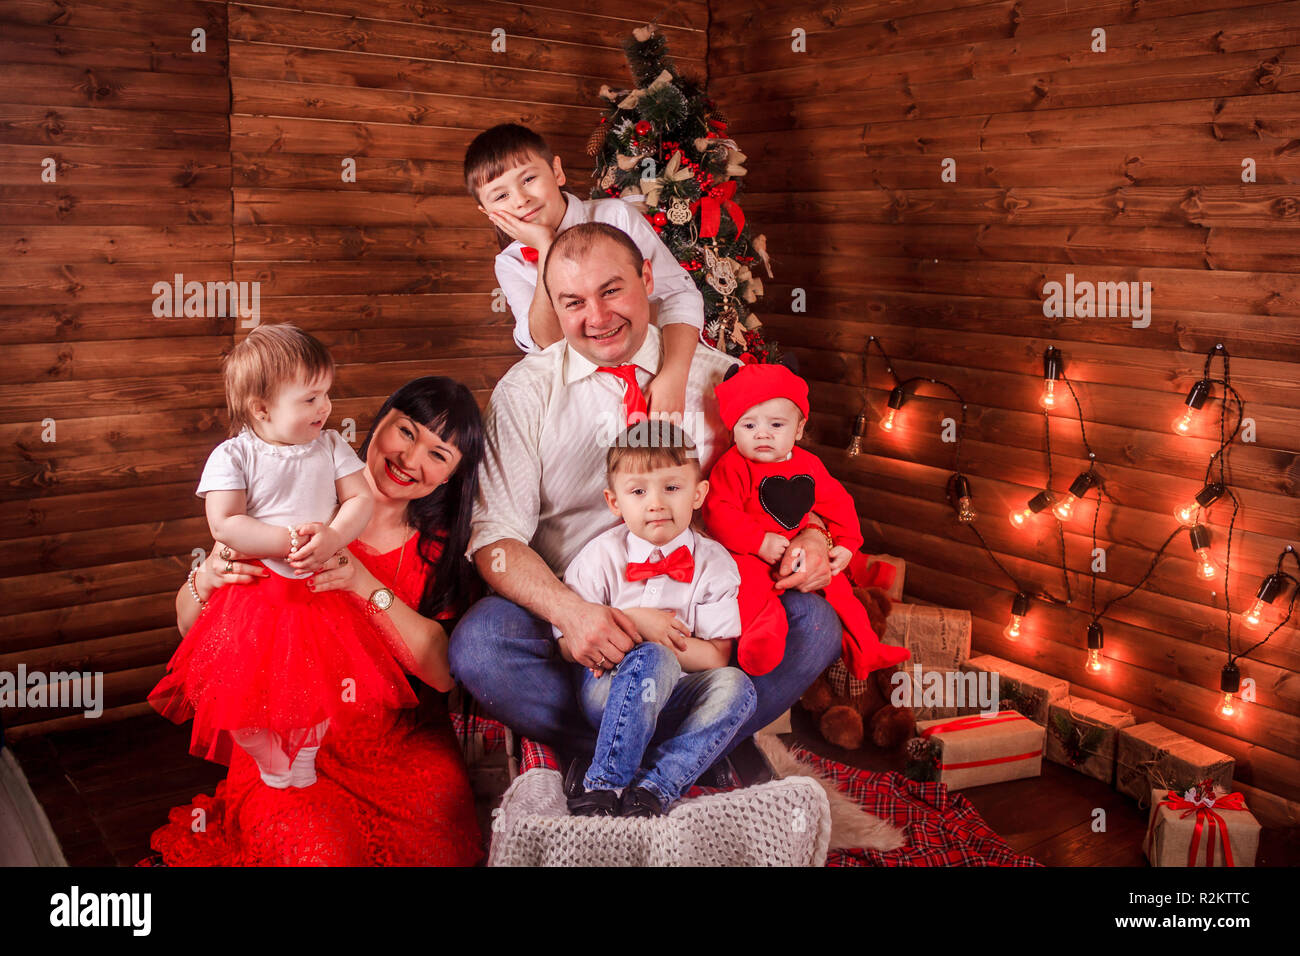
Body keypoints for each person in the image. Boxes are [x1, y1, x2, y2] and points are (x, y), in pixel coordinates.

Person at [449, 221, 843, 784]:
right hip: (582, 612)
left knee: (815, 625)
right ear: (555, 308)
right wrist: (572, 613)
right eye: (573, 302)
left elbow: (791, 475)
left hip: (701, 610)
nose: (597, 317)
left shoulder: (718, 379)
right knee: (482, 644)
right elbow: (495, 540)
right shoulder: (527, 388)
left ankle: (648, 747)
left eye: (612, 291)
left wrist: (815, 536)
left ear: (647, 278)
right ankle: (674, 748)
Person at [148, 376, 485, 865]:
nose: (411, 461)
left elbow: (439, 674)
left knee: (439, 838)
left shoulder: (439, 551)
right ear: (380, 421)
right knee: (318, 854)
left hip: (399, 746)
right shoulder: (286, 516)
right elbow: (189, 628)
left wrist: (362, 583)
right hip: (287, 749)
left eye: (439, 455)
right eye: (407, 432)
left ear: (452, 475)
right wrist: (208, 578)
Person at [148, 324, 416, 788]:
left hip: (316, 597)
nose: (325, 407)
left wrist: (332, 537)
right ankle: (268, 757)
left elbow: (359, 500)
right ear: (262, 407)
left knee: (316, 690)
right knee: (244, 699)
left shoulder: (330, 446)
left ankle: (306, 752)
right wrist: (288, 541)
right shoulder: (234, 456)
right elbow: (225, 524)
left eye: (327, 394)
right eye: (310, 398)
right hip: (257, 597)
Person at [559, 424, 753, 817]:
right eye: (638, 491)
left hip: (678, 703)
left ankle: (654, 788)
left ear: (698, 494)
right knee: (653, 659)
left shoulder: (715, 564)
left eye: (672, 488)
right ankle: (605, 784)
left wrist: (661, 643)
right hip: (608, 692)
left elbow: (716, 658)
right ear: (614, 502)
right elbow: (566, 646)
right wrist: (634, 624)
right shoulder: (599, 557)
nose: (655, 503)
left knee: (739, 687)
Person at [464, 122, 703, 422]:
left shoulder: (616, 216)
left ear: (556, 172)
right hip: (587, 394)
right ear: (489, 214)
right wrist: (545, 246)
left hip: (659, 362)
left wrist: (674, 376)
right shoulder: (510, 263)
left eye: (528, 179)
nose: (520, 199)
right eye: (500, 197)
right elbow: (548, 339)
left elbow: (678, 294)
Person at [701, 361, 911, 679]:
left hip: (797, 551)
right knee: (753, 594)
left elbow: (838, 503)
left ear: (798, 429)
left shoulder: (809, 465)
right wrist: (758, 541)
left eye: (776, 425)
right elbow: (718, 512)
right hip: (746, 554)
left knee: (842, 593)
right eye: (748, 426)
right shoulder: (733, 466)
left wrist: (847, 543)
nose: (762, 435)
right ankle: (757, 646)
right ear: (733, 429)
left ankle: (866, 648)